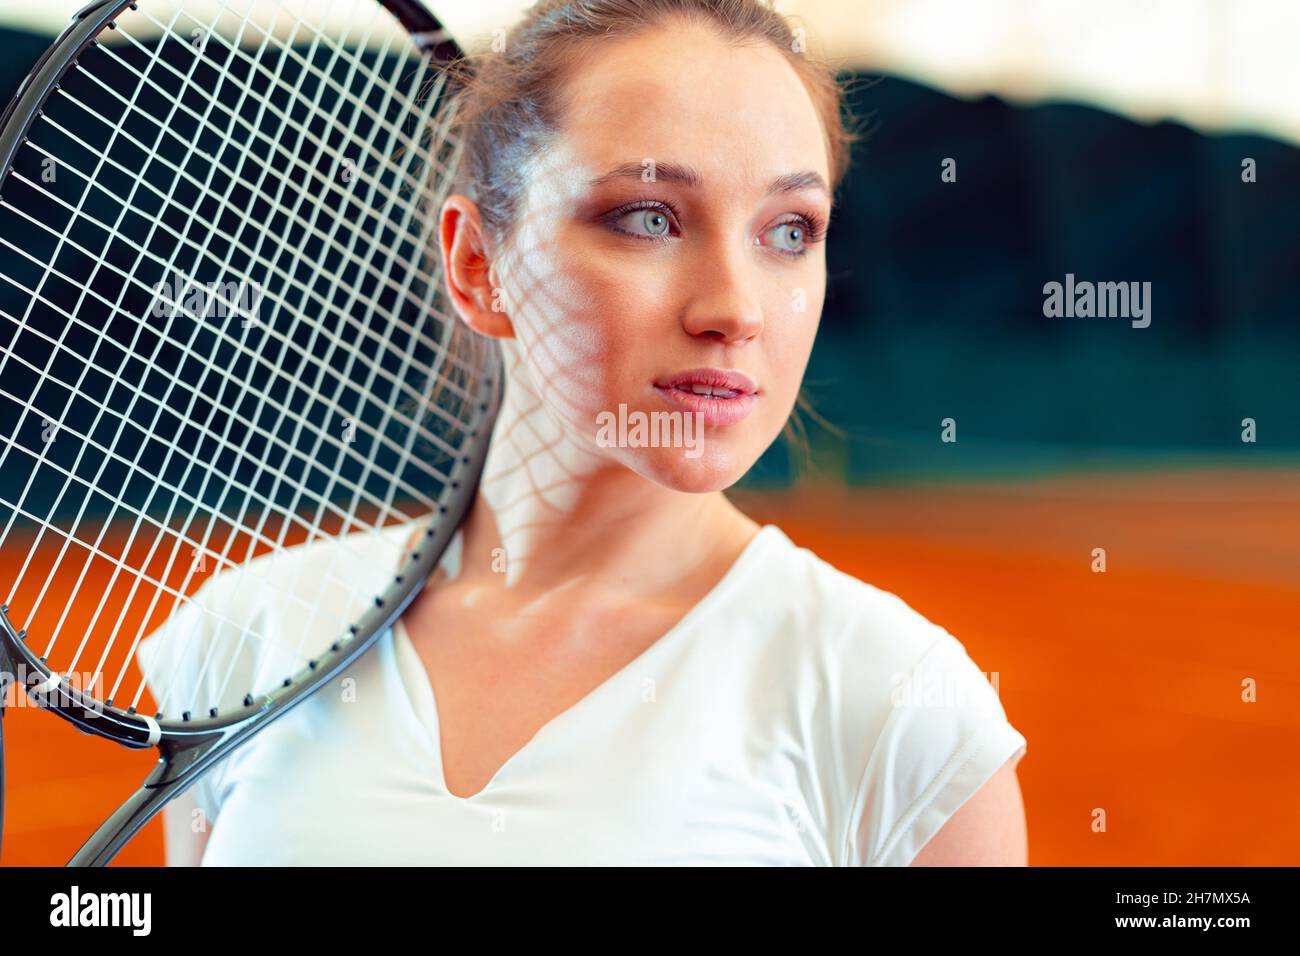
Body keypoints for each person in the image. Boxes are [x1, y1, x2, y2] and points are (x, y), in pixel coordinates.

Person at [144, 0, 1027, 866]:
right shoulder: (247, 635)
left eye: (789, 231)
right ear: (478, 265)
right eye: (649, 217)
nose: (736, 309)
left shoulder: (901, 708)